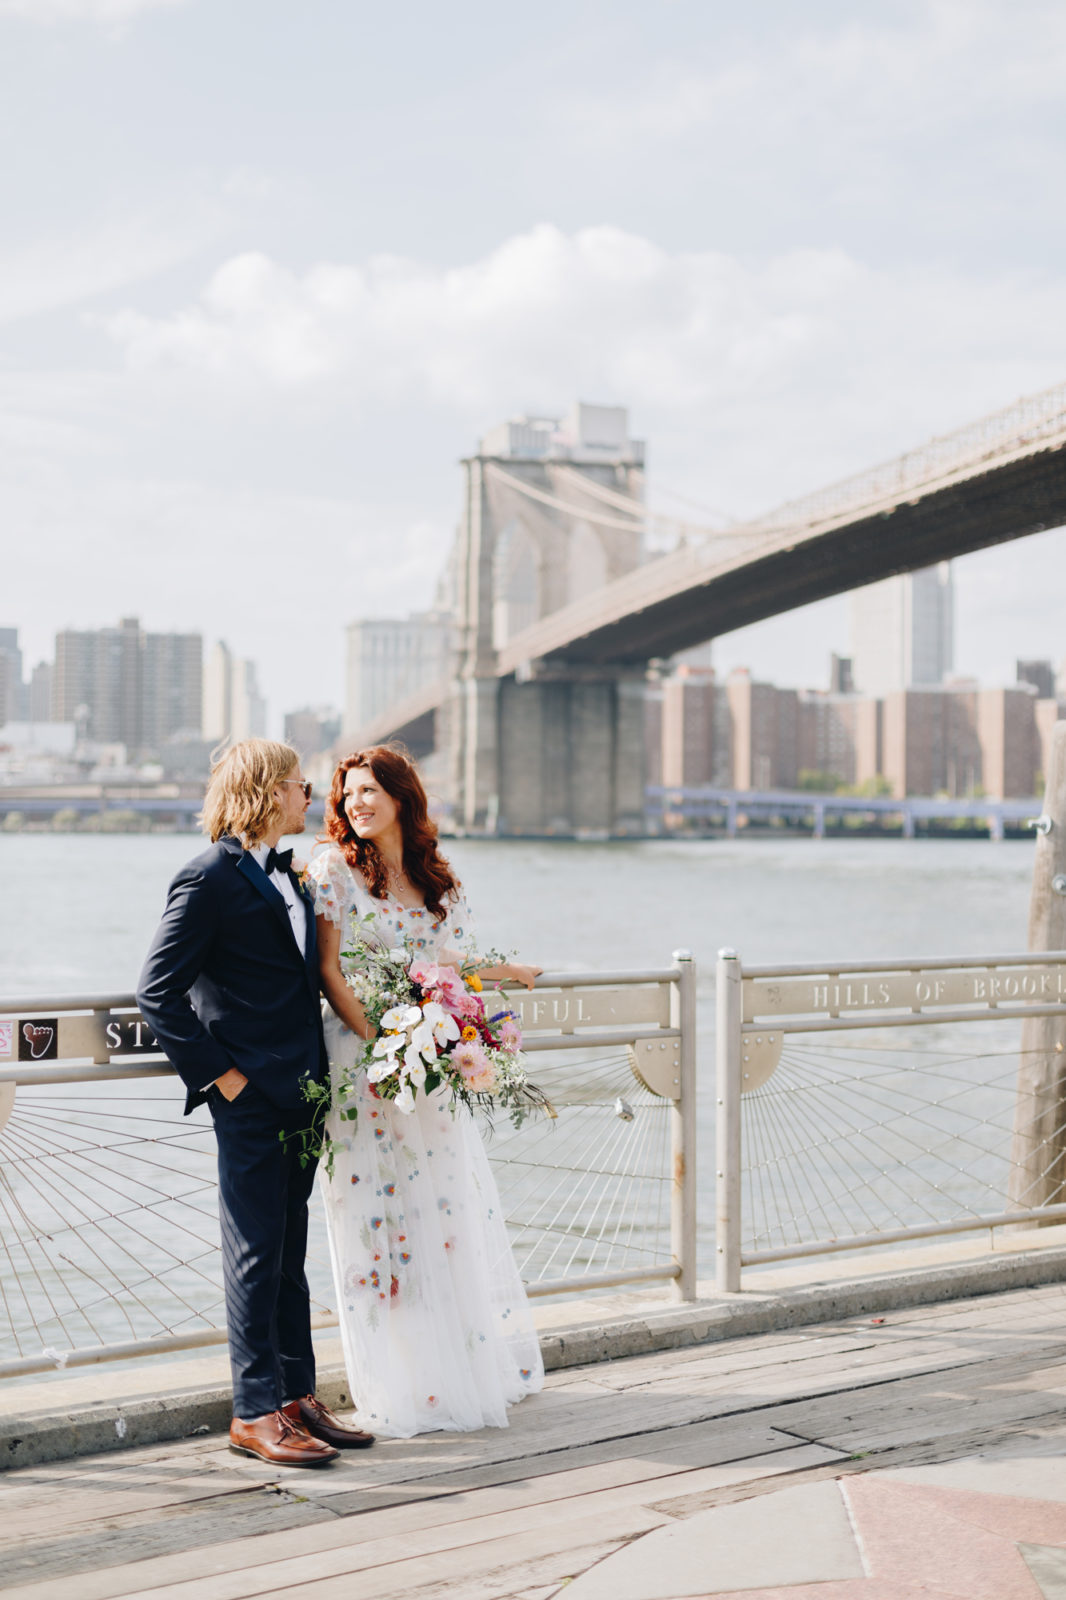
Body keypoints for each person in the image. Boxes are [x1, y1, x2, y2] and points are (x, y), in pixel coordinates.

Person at [136, 738, 374, 1467]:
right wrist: (223, 1079)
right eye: (301, 784)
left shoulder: (290, 874)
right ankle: (252, 1412)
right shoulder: (207, 878)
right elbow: (157, 992)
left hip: (303, 1091)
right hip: (249, 1100)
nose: (311, 795)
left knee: (287, 1254)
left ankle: (296, 1398)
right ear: (271, 792)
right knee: (253, 1254)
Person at [305, 744, 545, 1438]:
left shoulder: (437, 878)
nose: (357, 803)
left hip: (424, 1066)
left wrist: (506, 974)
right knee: (374, 1219)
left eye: (371, 790)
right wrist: (382, 1042)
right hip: (362, 1063)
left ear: (402, 796)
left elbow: (444, 964)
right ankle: (400, 1384)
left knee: (439, 1212)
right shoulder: (333, 871)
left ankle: (451, 1373)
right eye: (348, 793)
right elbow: (328, 970)